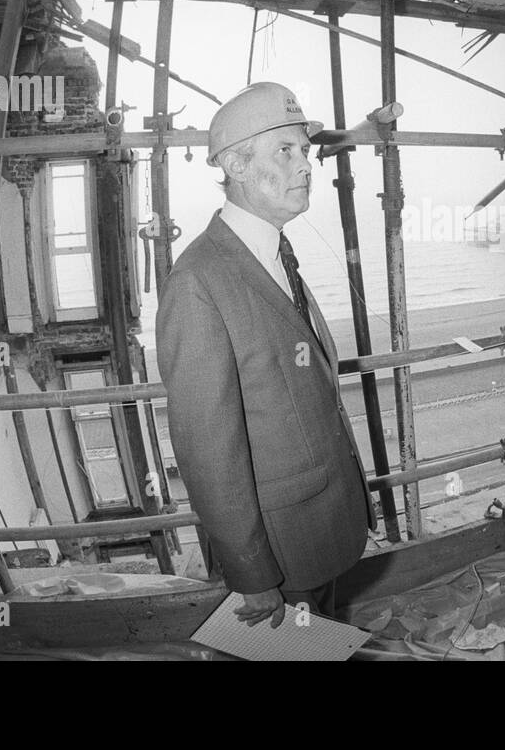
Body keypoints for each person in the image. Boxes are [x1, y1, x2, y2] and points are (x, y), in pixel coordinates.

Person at [156, 82, 375, 628]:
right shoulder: (198, 282)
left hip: (317, 525)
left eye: (306, 151)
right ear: (235, 163)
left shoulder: (272, 248)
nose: (307, 166)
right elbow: (207, 448)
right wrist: (253, 574)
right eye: (287, 151)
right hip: (282, 550)